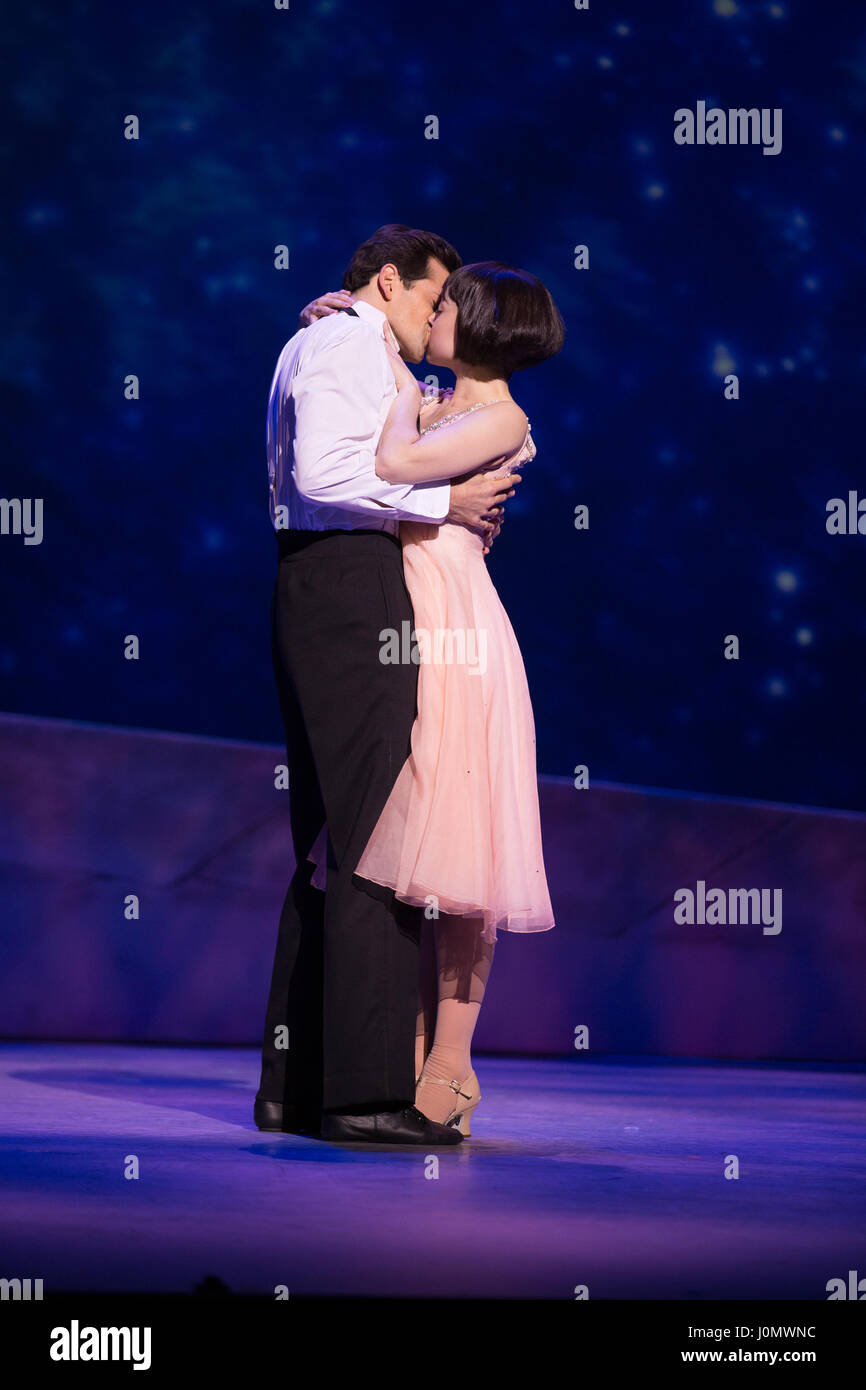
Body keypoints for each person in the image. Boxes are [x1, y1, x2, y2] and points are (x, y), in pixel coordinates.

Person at [255, 226, 522, 1146]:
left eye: (445, 307)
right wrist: (441, 503)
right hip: (355, 585)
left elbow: (366, 455)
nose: (430, 318)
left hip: (394, 597)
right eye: (425, 299)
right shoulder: (349, 340)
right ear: (386, 283)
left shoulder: (371, 353)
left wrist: (367, 338)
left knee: (361, 837)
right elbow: (337, 472)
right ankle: (359, 1094)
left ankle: (319, 1083)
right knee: (372, 837)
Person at [305, 261, 564, 1136]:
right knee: (408, 843)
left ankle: (449, 1059)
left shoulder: (501, 418)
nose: (433, 312)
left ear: (486, 322)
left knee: (460, 852)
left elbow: (390, 464)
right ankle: (401, 1046)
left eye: (447, 304)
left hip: (455, 627)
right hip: (410, 612)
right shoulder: (429, 391)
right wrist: (361, 334)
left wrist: (386, 369)